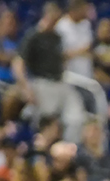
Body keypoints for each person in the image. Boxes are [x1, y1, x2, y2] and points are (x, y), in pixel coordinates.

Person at [13, 3, 88, 143]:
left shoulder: (57, 37)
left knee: (76, 118)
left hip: (60, 81)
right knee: (46, 122)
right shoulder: (34, 36)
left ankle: (70, 150)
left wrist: (78, 53)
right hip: (42, 83)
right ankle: (43, 152)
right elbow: (18, 63)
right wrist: (25, 87)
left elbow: (60, 58)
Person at [55, 0, 94, 78]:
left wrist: (75, 53)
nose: (86, 13)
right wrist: (81, 52)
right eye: (83, 10)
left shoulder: (86, 24)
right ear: (75, 10)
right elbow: (61, 54)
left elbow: (89, 47)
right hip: (69, 74)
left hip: (86, 72)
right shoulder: (61, 26)